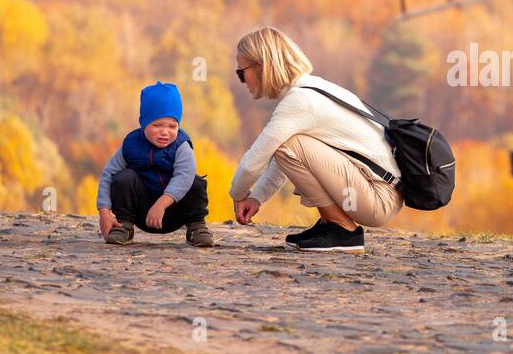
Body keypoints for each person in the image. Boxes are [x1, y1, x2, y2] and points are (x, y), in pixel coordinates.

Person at [229, 26, 402, 253]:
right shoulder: (312, 88)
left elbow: (256, 160)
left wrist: (238, 195)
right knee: (289, 144)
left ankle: (341, 230)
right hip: (379, 191)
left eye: (241, 72)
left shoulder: (299, 101)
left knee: (286, 145)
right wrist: (257, 198)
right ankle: (331, 224)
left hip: (378, 197)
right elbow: (290, 159)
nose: (242, 80)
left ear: (261, 66)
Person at [96, 81, 213, 247]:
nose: (165, 132)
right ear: (144, 123)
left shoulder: (181, 146)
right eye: (157, 125)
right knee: (123, 177)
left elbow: (183, 176)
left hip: (174, 211)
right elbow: (108, 174)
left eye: (172, 126)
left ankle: (196, 227)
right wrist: (104, 212)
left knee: (193, 181)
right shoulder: (131, 144)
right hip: (141, 213)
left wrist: (161, 204)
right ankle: (124, 227)